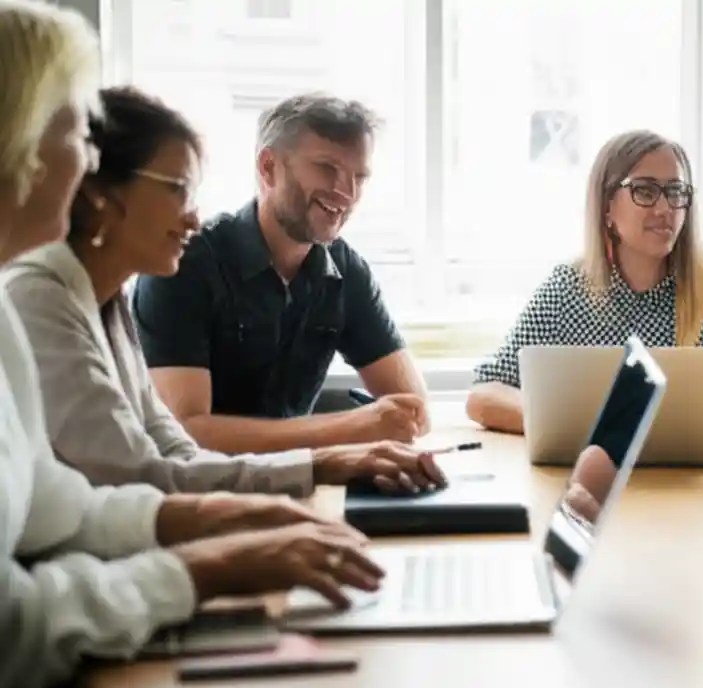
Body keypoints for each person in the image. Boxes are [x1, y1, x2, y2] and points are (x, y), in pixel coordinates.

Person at [0, 2, 382, 688]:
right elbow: (17, 618)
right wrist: (212, 562)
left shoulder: (87, 299)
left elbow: (80, 502)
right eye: (69, 131)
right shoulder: (33, 298)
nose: (83, 156)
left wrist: (259, 508)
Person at [3, 86, 446, 497]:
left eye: (359, 177)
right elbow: (148, 473)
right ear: (100, 194)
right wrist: (336, 446)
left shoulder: (108, 304)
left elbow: (174, 457)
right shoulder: (44, 300)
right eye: (178, 190)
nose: (193, 219)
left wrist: (325, 465)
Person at [130, 93, 430, 455]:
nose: (347, 194)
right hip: (201, 491)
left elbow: (414, 410)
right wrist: (350, 427)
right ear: (268, 167)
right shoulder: (184, 264)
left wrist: (365, 428)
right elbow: (187, 433)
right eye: (327, 168)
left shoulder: (347, 272)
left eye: (359, 177)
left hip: (304, 479)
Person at [467, 130, 703, 433]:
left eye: (676, 192)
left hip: (699, 481)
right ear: (607, 206)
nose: (664, 209)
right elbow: (485, 394)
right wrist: (582, 424)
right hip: (596, 472)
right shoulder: (567, 288)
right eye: (644, 191)